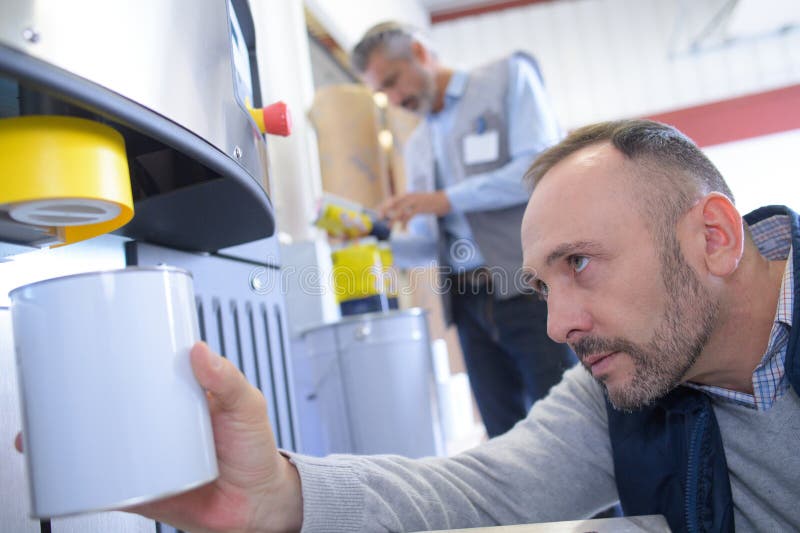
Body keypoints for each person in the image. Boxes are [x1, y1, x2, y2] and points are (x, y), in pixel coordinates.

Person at [18, 120, 800, 532]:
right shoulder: (618, 391)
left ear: (715, 237)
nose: (559, 323)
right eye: (541, 282)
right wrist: (279, 495)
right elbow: (482, 490)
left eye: (581, 263)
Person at [350, 22, 577, 437]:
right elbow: (428, 243)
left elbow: (537, 170)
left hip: (527, 287)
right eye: (382, 93)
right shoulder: (417, 143)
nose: (394, 99)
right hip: (466, 301)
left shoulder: (507, 78)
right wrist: (376, 236)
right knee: (504, 437)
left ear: (420, 53)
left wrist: (444, 199)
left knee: (569, 428)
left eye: (393, 82)